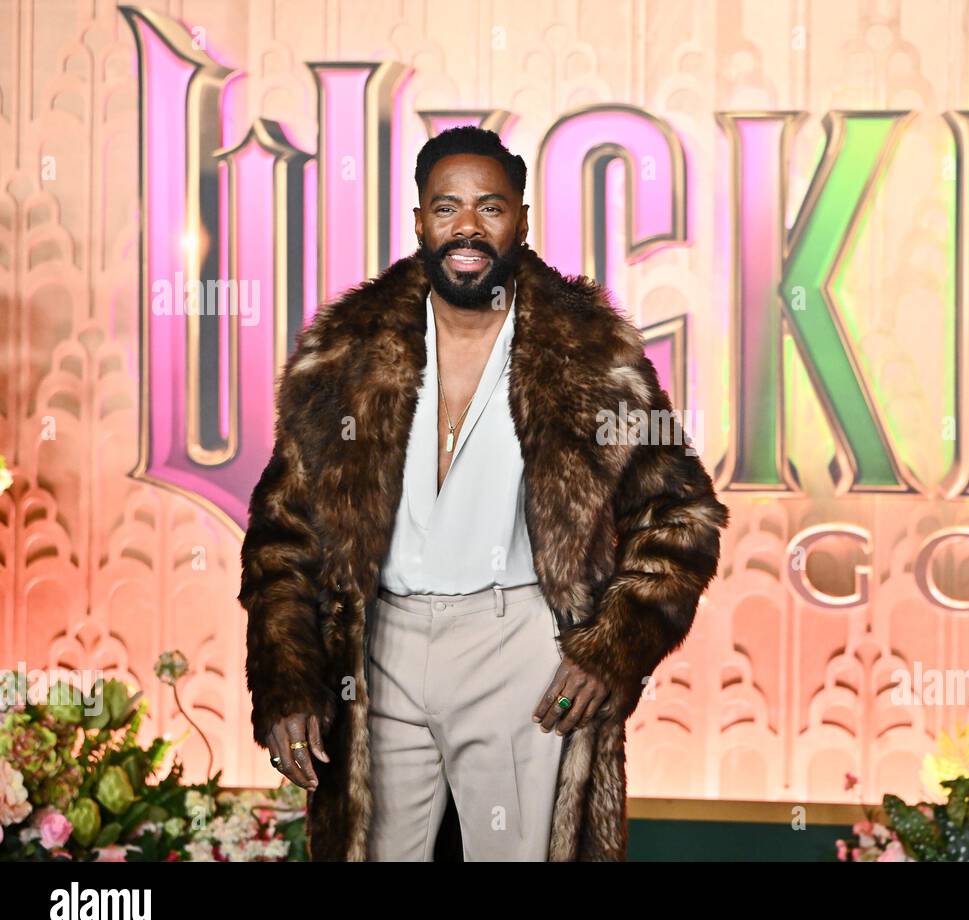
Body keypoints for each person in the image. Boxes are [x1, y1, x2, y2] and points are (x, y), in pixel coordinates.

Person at [237, 126, 729, 861]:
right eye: (447, 207)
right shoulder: (347, 351)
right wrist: (287, 679)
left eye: (490, 207)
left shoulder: (590, 352)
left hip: (518, 645)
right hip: (380, 650)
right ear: (418, 221)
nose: (467, 226)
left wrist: (610, 648)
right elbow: (284, 535)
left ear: (521, 219)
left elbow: (682, 513)